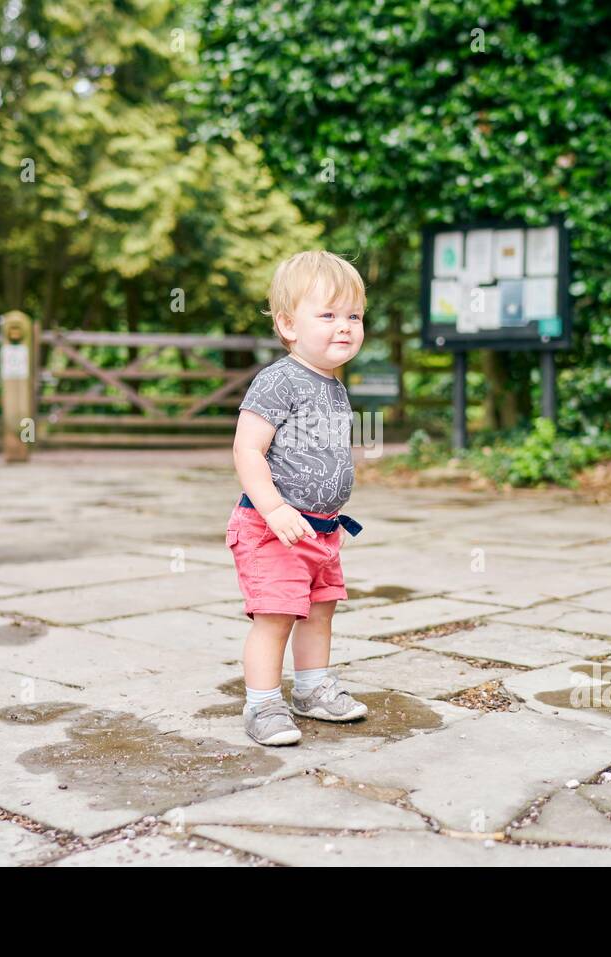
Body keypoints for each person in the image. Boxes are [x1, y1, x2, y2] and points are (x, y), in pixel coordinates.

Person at [226, 250, 370, 746]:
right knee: (276, 615)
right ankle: (262, 704)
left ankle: (311, 690)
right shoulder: (279, 379)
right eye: (328, 315)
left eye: (354, 316)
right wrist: (275, 507)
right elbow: (248, 449)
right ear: (289, 324)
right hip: (273, 527)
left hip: (321, 529)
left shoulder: (333, 386)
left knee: (320, 609)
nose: (345, 326)